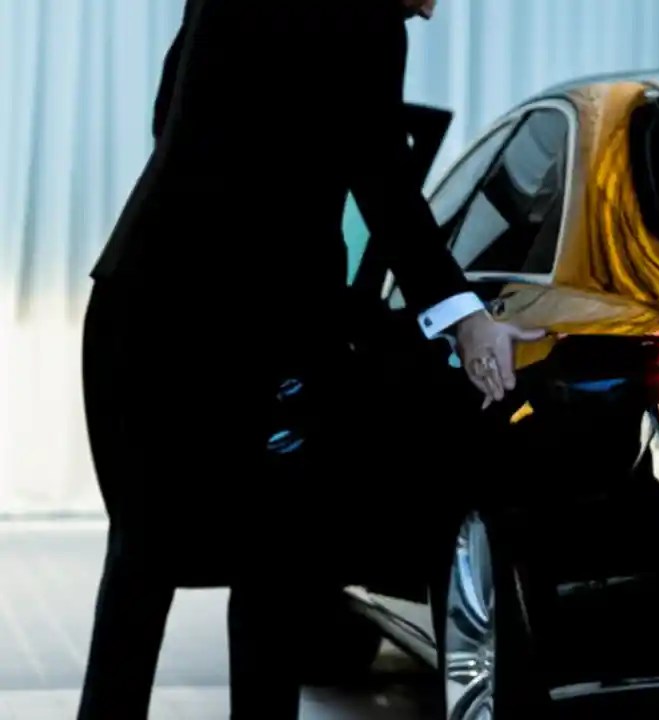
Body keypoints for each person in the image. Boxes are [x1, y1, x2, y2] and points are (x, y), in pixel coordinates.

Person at [76, 0, 543, 717]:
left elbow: (169, 117)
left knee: (142, 561)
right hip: (249, 338)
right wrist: (467, 318)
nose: (433, 10)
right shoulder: (363, 22)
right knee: (270, 567)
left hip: (140, 307)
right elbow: (384, 182)